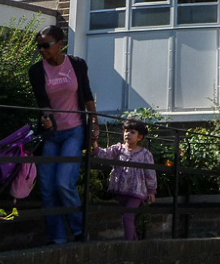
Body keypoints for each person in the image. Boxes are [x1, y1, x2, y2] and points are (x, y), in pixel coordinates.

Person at [28, 25, 98, 245]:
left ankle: (79, 231)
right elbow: (43, 102)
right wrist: (46, 117)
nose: (42, 50)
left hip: (74, 131)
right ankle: (56, 238)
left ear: (60, 44)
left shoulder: (76, 65)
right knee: (47, 188)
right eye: (38, 46)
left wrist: (94, 121)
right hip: (51, 133)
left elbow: (86, 94)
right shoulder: (36, 71)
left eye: (46, 45)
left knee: (63, 183)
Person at [91, 119, 158, 241]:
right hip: (121, 189)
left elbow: (150, 173)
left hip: (136, 191)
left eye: (132, 132)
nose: (127, 134)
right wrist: (94, 143)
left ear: (139, 137)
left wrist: (151, 191)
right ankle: (134, 242)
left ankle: (128, 245)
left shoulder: (145, 154)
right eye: (126, 131)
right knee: (126, 216)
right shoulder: (118, 149)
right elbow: (103, 155)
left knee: (128, 216)